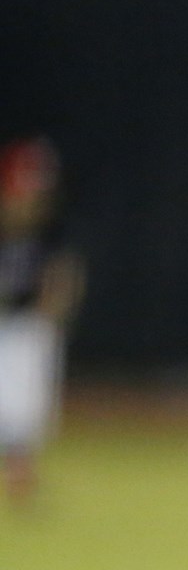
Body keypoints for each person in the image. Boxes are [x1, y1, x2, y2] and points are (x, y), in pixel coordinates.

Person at [0, 136, 84, 509]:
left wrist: (51, 312)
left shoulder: (52, 230)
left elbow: (64, 276)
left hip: (26, 326)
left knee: (25, 411)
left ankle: (20, 480)